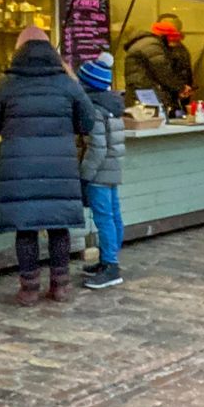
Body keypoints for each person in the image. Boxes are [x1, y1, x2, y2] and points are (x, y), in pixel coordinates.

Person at [0, 27, 96, 305]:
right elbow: (88, 123)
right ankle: (61, 286)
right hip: (60, 167)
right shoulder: (66, 83)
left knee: (26, 228)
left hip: (20, 168)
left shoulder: (6, 84)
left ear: (18, 51)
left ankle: (29, 289)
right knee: (59, 227)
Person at [76, 53, 127, 290]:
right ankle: (109, 258)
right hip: (112, 169)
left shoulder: (94, 111)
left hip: (98, 173)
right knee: (114, 215)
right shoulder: (113, 106)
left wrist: (84, 174)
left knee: (103, 218)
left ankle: (110, 265)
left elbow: (96, 148)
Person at [124, 13, 192, 114]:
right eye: (171, 39)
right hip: (146, 96)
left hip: (140, 94)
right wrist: (181, 88)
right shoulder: (152, 46)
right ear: (164, 36)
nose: (172, 44)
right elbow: (163, 72)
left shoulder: (147, 43)